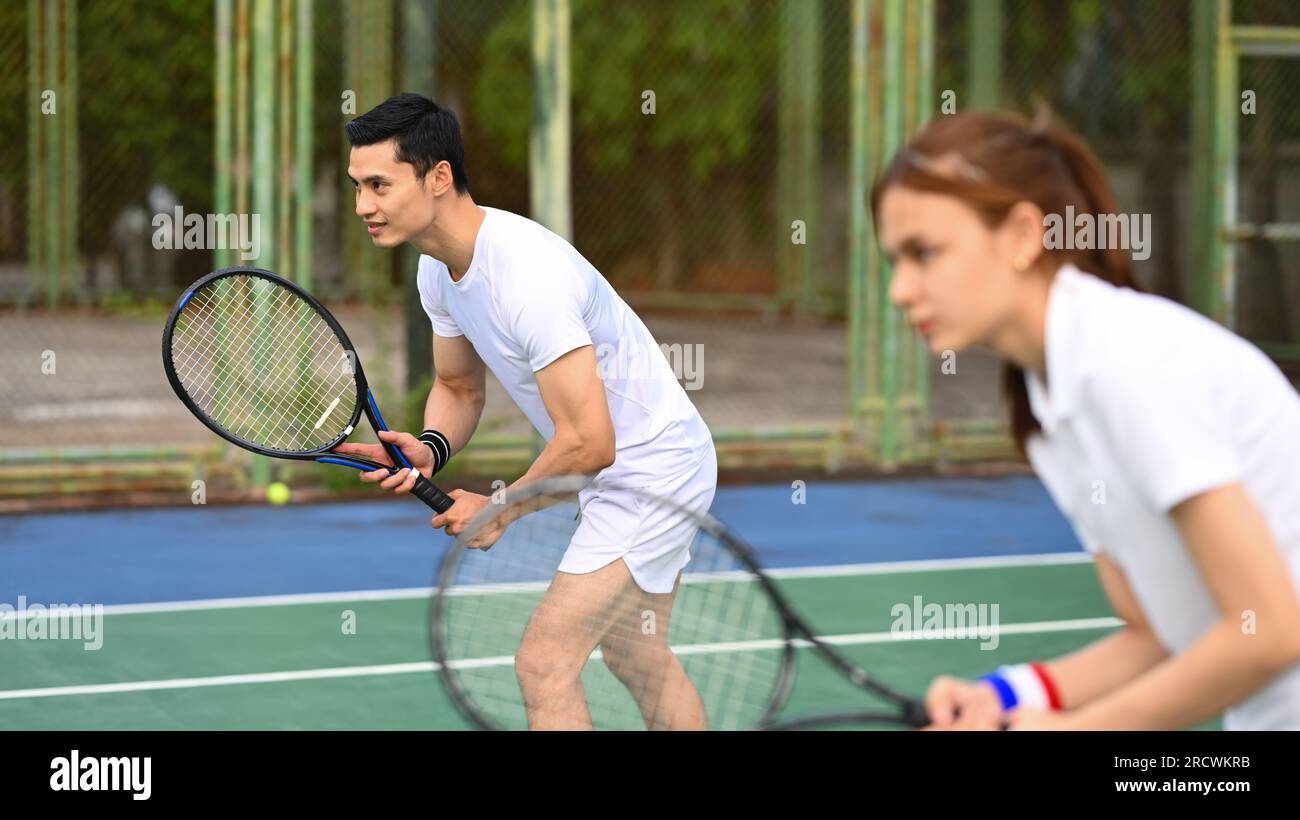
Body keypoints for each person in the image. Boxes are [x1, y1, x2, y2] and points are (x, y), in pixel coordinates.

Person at [870, 110, 1300, 729]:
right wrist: (1007, 694)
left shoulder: (1128, 365)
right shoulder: (1047, 403)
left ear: (1022, 235)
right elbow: (1154, 634)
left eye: (924, 253)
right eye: (894, 261)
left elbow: (1272, 631)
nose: (899, 290)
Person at [333, 93, 717, 730]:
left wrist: (500, 508)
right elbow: (459, 389)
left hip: (653, 467)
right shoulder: (438, 270)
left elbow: (591, 441)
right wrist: (428, 448)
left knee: (543, 663)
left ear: (438, 177)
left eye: (379, 184)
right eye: (356, 186)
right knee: (636, 651)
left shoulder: (527, 276)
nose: (362, 206)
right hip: (630, 465)